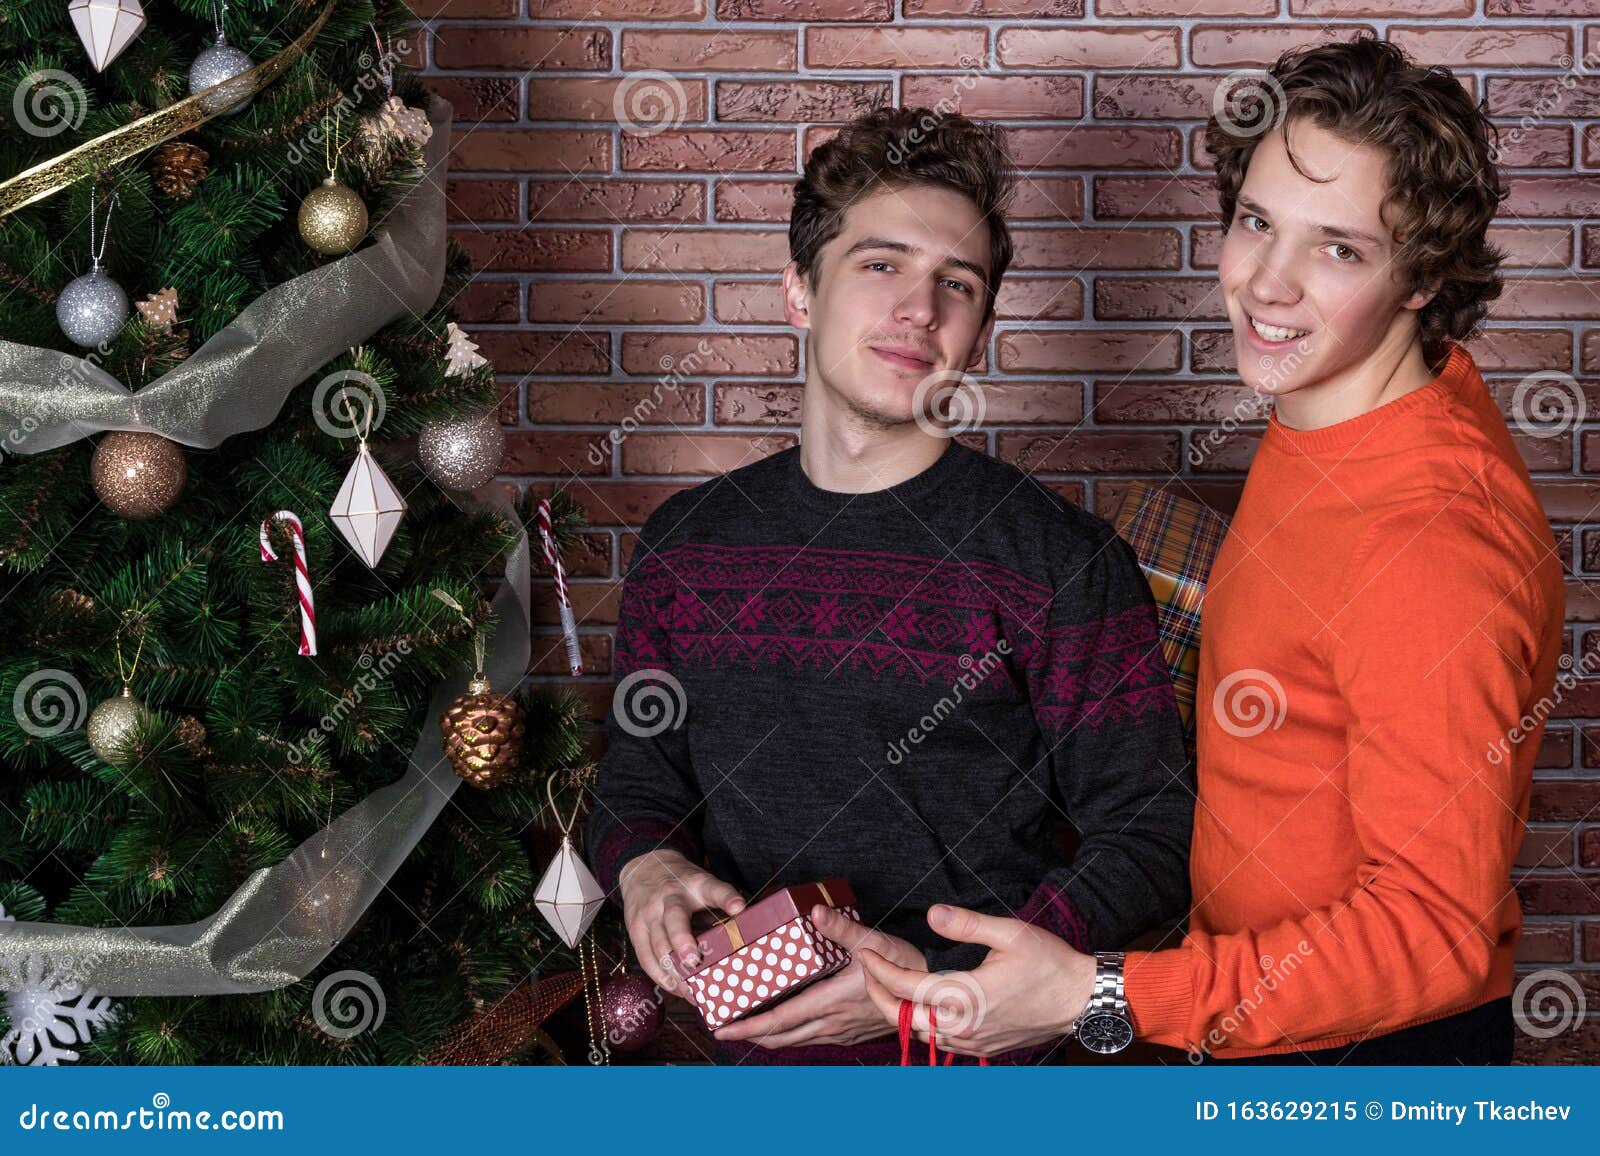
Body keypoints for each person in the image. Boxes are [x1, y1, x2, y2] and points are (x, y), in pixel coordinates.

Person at [853, 34, 1565, 1065]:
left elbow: (1433, 935)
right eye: (1254, 223)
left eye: (1339, 250)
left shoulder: (1427, 541)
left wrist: (1098, 993)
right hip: (1249, 1008)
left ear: (1421, 278)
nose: (1266, 286)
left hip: (1367, 1059)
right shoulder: (1338, 403)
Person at [587, 106, 1195, 1064]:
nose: (921, 308)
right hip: (729, 1065)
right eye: (882, 265)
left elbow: (1152, 833)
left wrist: (943, 987)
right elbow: (636, 779)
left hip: (965, 1069)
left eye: (957, 283)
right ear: (799, 291)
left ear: (980, 330)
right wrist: (644, 866)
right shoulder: (685, 545)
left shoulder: (1059, 558)